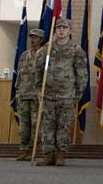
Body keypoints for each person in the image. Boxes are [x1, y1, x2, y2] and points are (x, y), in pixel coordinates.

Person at [34, 17, 88, 167]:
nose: (61, 30)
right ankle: (48, 154)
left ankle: (60, 154)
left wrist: (77, 95)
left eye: (64, 28)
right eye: (59, 28)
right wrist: (39, 89)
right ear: (55, 30)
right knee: (47, 126)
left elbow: (82, 74)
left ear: (70, 31)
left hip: (67, 95)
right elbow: (38, 70)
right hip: (48, 94)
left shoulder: (76, 50)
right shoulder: (47, 49)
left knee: (64, 126)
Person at [13, 27, 47, 161]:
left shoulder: (45, 55)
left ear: (41, 39)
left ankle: (34, 149)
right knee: (24, 124)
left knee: (36, 124)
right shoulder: (24, 55)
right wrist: (17, 91)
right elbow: (20, 75)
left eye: (36, 37)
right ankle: (24, 149)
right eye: (31, 37)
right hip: (23, 94)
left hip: (37, 95)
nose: (33, 40)